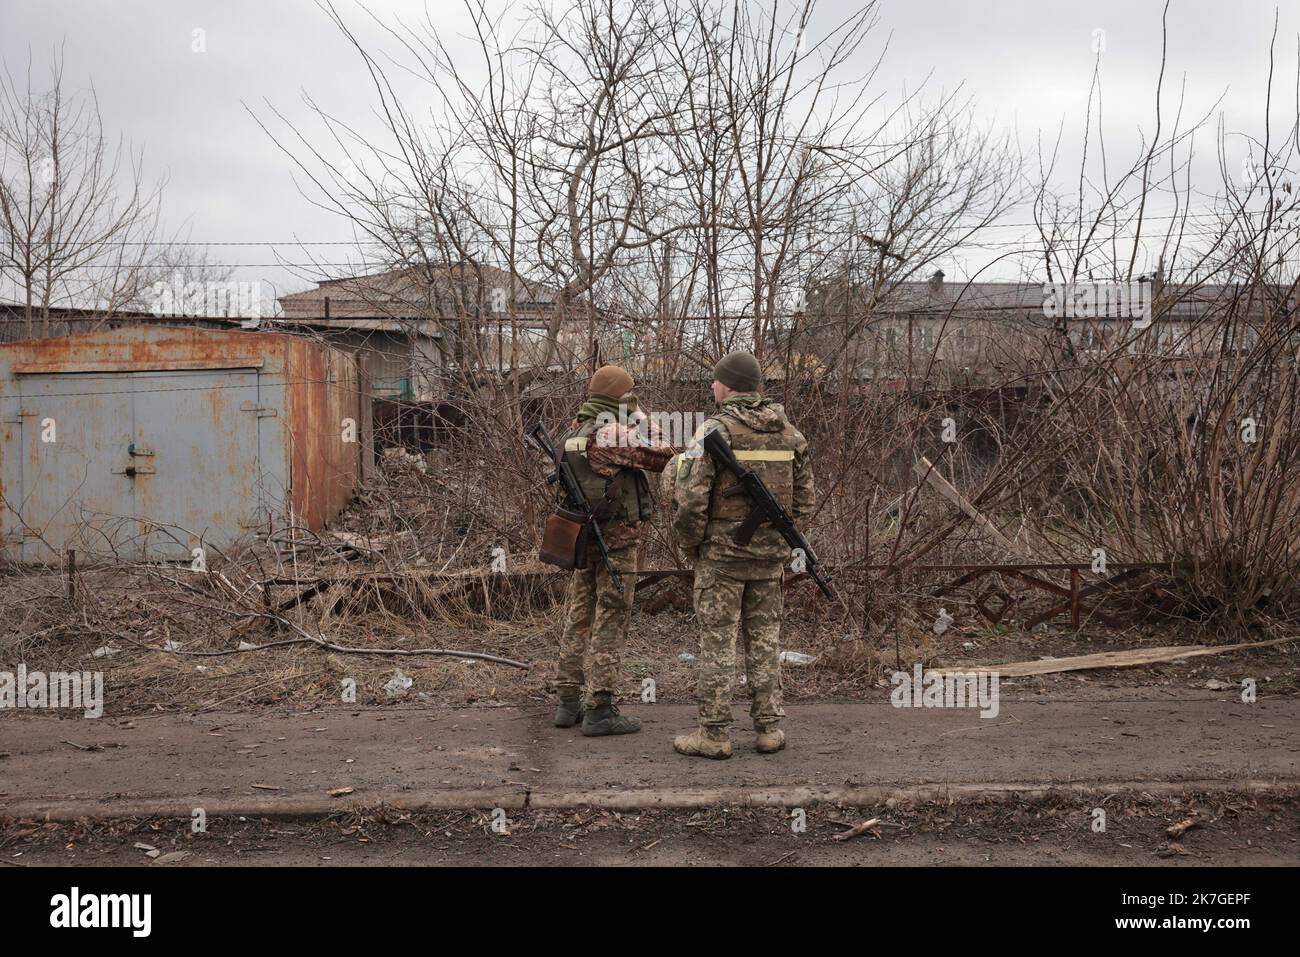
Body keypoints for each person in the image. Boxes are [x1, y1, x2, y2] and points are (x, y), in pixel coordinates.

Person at [671, 351, 814, 759]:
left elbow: (690, 499)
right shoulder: (789, 433)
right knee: (765, 641)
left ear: (730, 385)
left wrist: (693, 543)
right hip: (770, 562)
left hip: (721, 560)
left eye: (716, 381)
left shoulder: (713, 431)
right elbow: (805, 501)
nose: (712, 387)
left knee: (717, 642)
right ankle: (768, 729)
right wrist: (778, 541)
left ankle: (714, 735)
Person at [553, 365, 673, 736]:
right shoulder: (613, 433)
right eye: (628, 393)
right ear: (618, 398)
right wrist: (639, 416)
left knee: (579, 615)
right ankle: (600, 709)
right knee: (611, 617)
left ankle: (567, 701)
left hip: (582, 536)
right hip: (615, 541)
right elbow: (666, 452)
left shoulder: (577, 429)